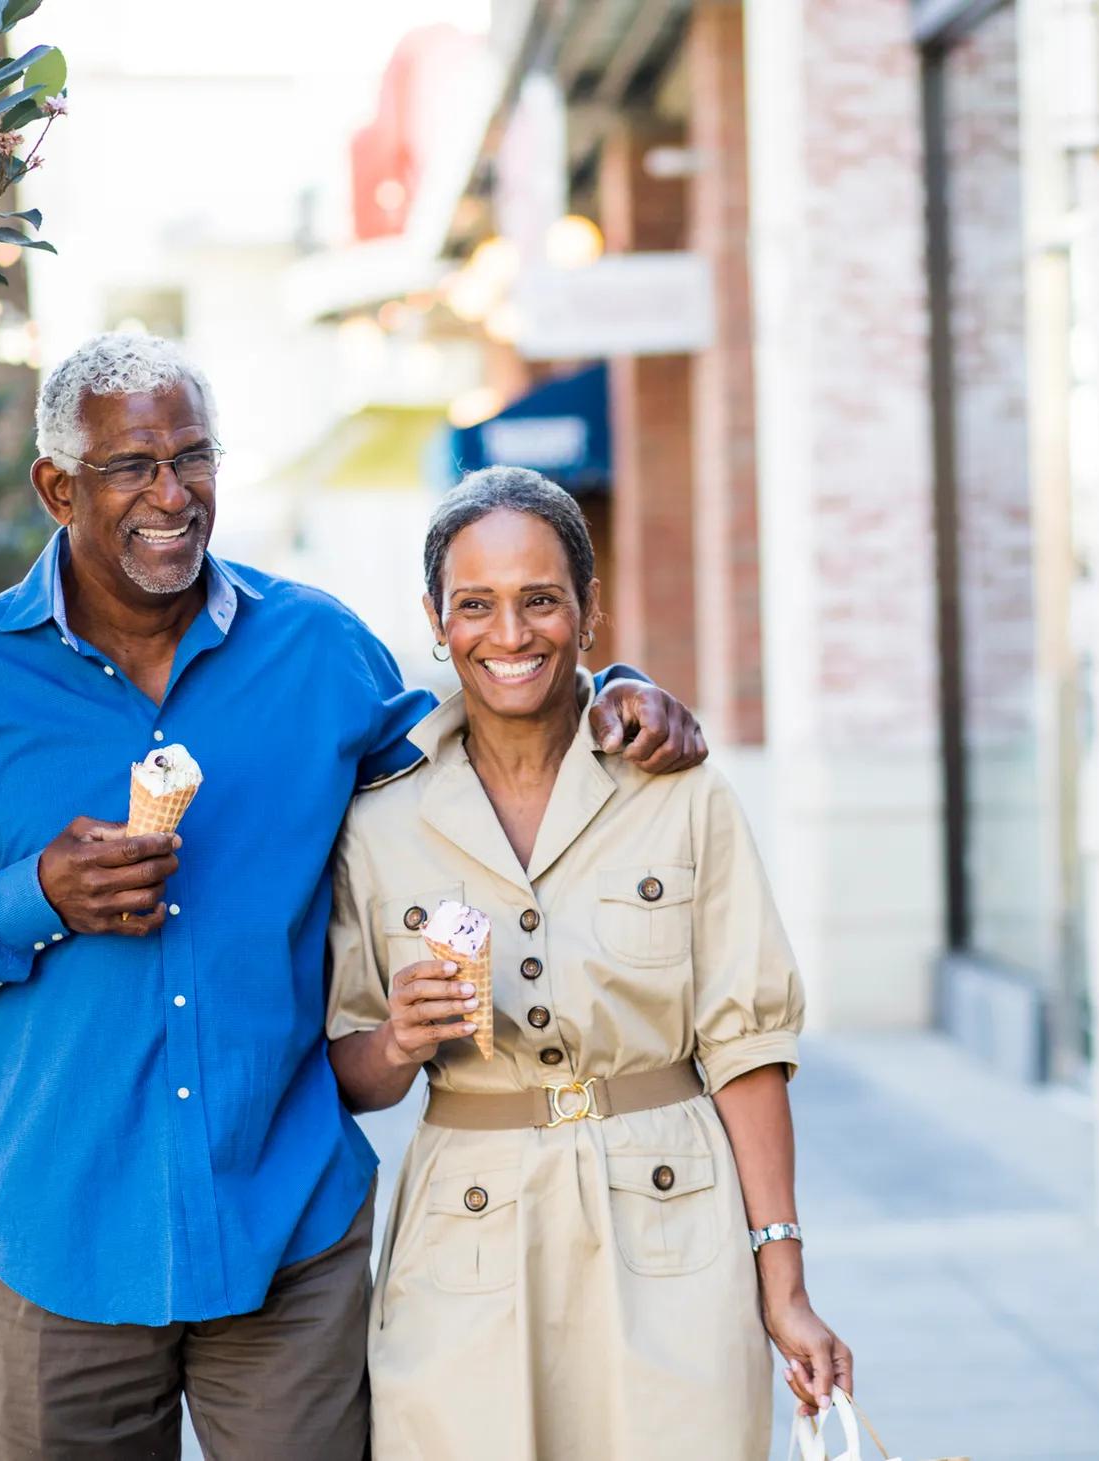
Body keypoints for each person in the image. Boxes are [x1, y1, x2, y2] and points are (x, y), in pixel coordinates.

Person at [0, 334, 706, 1460]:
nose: (171, 496)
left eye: (193, 458)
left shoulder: (317, 651)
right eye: (131, 467)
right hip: (54, 1240)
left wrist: (612, 686)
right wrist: (29, 896)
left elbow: (477, 746)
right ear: (56, 487)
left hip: (285, 1232)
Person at [326, 466, 851, 1461]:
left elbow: (746, 1045)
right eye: (474, 605)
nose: (509, 635)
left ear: (589, 611)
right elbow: (347, 1069)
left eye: (540, 601)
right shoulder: (380, 818)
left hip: (674, 1224)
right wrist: (399, 1037)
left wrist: (783, 1285)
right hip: (463, 1235)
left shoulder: (679, 792)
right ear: (435, 620)